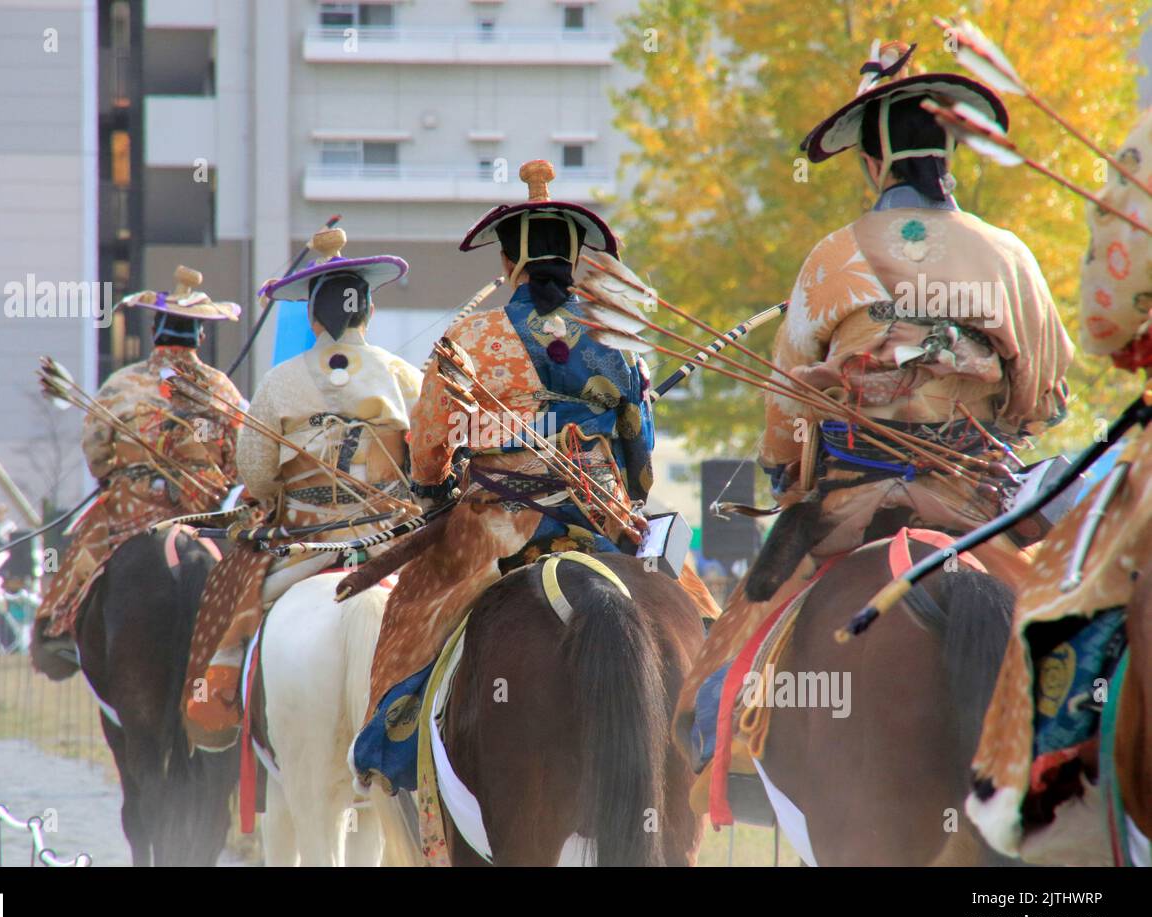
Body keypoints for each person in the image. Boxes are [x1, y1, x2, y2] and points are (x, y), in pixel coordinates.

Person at [676, 39, 1074, 795]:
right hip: (975, 503)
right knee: (1085, 616)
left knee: (712, 681)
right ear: (949, 156)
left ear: (873, 165)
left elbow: (790, 409)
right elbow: (1044, 400)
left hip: (847, 509)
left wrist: (783, 468)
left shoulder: (832, 258)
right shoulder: (1009, 255)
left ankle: (724, 745)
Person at [352, 160, 717, 793]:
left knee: (413, 608)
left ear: (508, 265)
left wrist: (437, 496)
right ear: (574, 262)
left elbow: (430, 450)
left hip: (494, 530)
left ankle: (391, 747)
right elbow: (641, 465)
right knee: (698, 614)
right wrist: (618, 489)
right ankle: (719, 729)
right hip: (605, 522)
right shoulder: (621, 344)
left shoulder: (466, 338)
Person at [968, 108, 1152, 866]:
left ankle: (1049, 823)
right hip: (977, 472)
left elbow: (1107, 324)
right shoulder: (1004, 252)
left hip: (864, 477)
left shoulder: (1147, 152)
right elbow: (1047, 392)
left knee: (1057, 598)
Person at [183, 228, 422, 748]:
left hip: (302, 545)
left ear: (314, 318)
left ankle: (219, 701)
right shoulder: (405, 376)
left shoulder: (278, 382)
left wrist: (277, 494)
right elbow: (428, 463)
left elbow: (257, 474)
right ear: (369, 315)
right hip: (394, 543)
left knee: (231, 597)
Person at [31, 266, 243, 679]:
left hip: (130, 509)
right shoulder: (222, 390)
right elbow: (239, 462)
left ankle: (59, 630)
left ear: (155, 332)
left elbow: (97, 453)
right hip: (205, 515)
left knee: (79, 550)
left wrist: (119, 478)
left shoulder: (119, 385)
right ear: (200, 336)